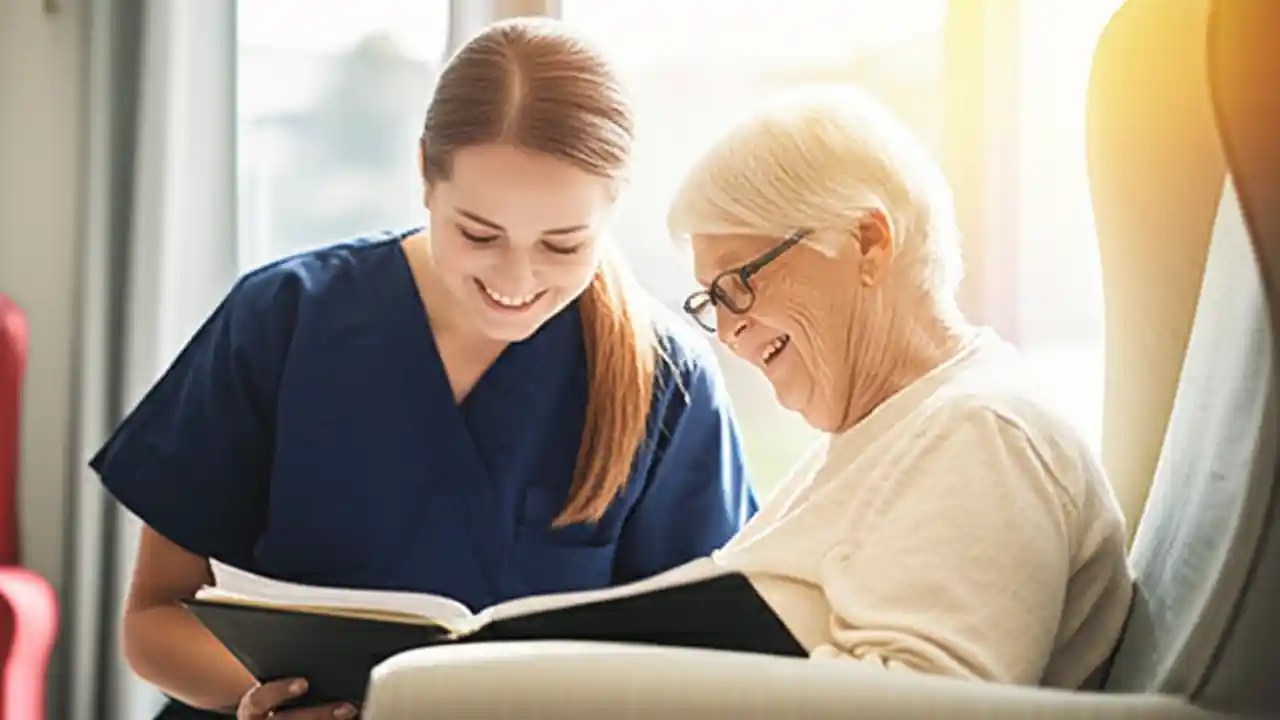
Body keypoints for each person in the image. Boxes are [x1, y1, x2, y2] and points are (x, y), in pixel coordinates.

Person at [91, 18, 755, 719]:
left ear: (612, 205)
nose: (517, 278)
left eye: (562, 244)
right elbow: (155, 617)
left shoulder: (666, 383)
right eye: (478, 233)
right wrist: (262, 701)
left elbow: (702, 666)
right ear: (424, 175)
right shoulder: (282, 318)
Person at [667, 85, 1133, 688]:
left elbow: (931, 702)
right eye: (712, 301)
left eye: (737, 283)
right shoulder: (888, 435)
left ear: (868, 243)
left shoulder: (983, 433)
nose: (728, 331)